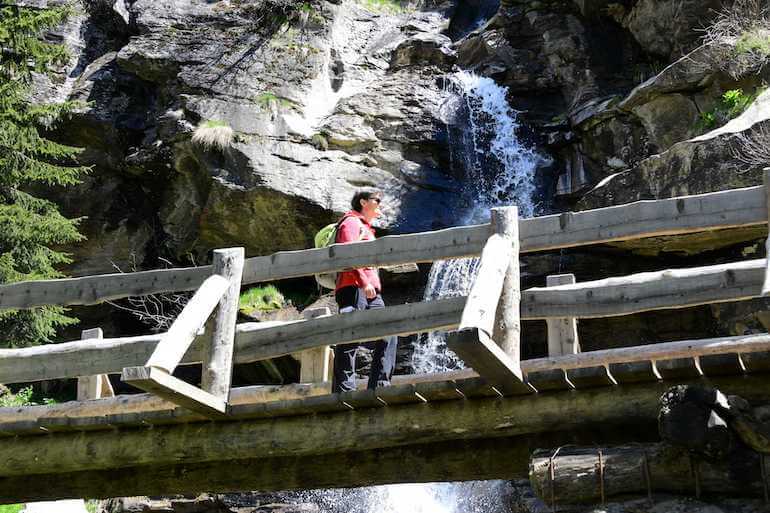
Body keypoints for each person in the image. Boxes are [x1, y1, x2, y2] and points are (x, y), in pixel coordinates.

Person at [332, 189, 398, 393]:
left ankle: (379, 386)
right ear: (363, 202)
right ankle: (344, 390)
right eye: (376, 200)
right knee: (350, 336)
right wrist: (364, 281)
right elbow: (348, 254)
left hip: (371, 291)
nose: (380, 204)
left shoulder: (366, 228)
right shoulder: (351, 222)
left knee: (389, 330)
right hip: (353, 287)